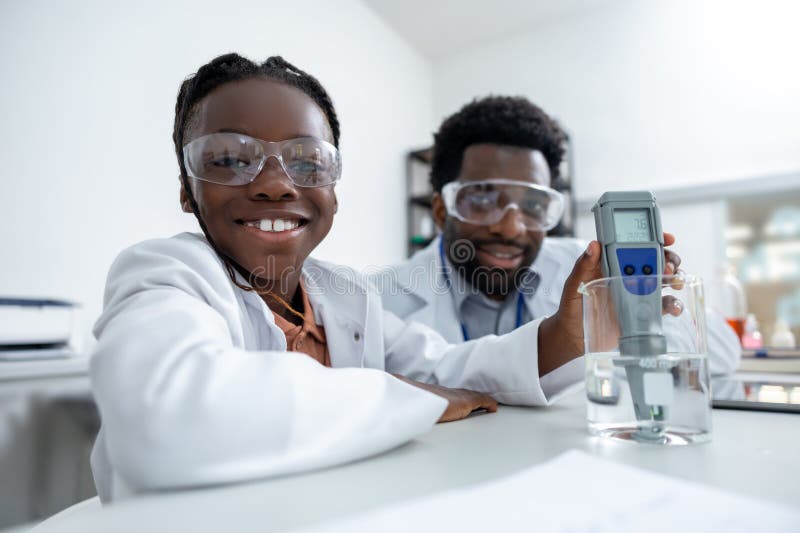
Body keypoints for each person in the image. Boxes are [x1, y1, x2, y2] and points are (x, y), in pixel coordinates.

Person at [89, 55, 600, 502]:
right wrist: (399, 394)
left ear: (334, 189)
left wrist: (563, 337)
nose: (274, 184)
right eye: (228, 160)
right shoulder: (164, 274)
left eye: (308, 163)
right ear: (187, 188)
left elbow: (445, 370)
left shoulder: (346, 293)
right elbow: (166, 420)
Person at [378, 96, 740, 375]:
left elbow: (724, 353)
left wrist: (639, 312)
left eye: (534, 204)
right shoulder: (380, 297)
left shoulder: (589, 267)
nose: (511, 227)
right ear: (442, 211)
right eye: (484, 200)